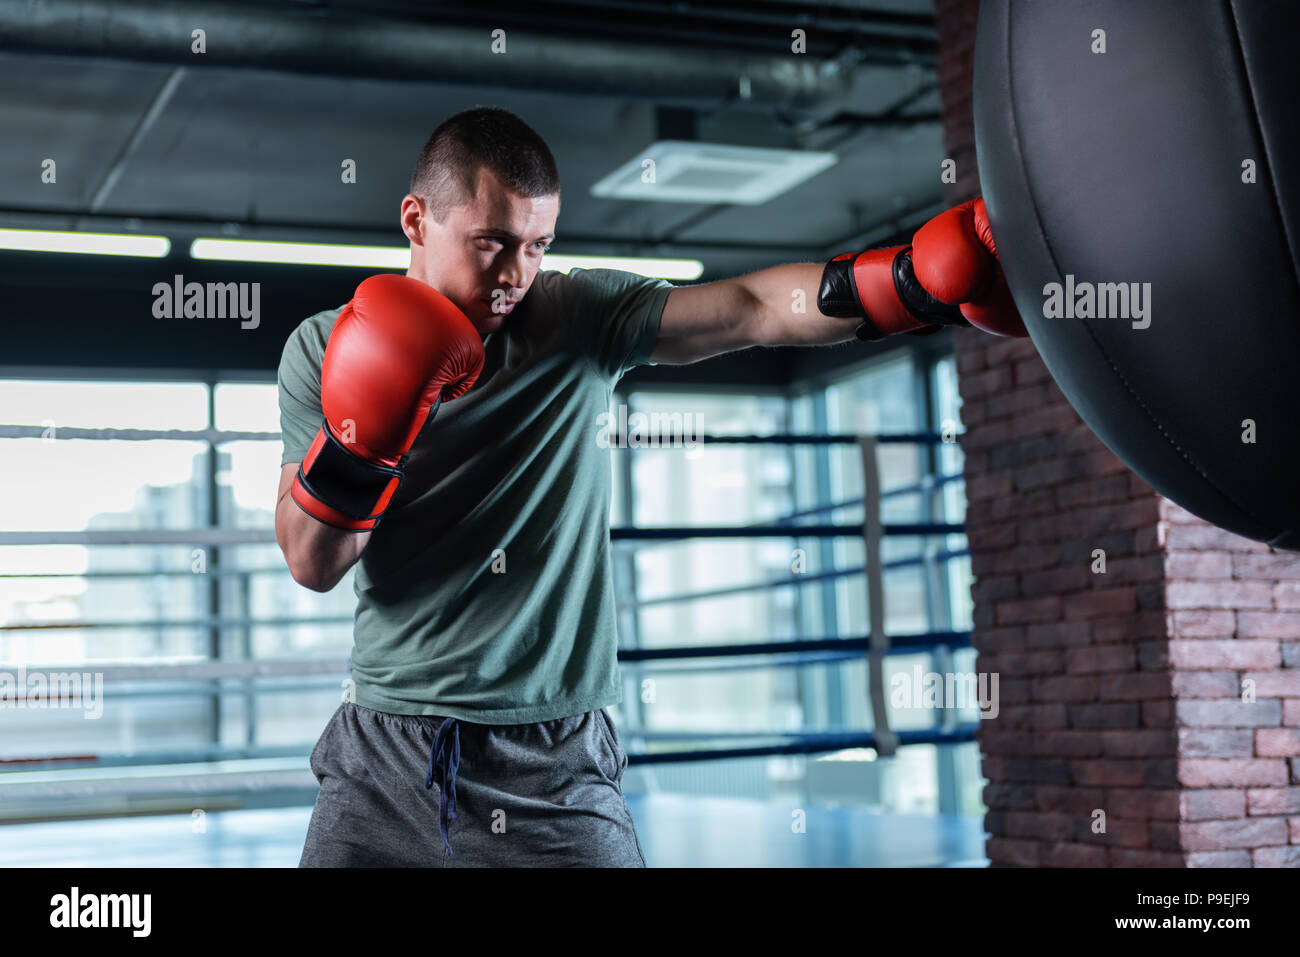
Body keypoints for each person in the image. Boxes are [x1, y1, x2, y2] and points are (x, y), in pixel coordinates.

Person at [276, 106, 1025, 868]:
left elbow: (751, 308)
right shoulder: (320, 348)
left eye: (537, 246)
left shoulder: (573, 316)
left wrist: (906, 284)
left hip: (553, 758)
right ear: (415, 219)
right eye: (491, 243)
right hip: (385, 754)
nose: (513, 276)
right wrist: (366, 436)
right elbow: (313, 561)